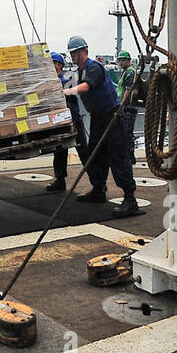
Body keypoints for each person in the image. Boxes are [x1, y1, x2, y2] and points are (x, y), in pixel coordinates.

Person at [63, 36, 140, 217]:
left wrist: (67, 91)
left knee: (118, 156)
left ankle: (130, 200)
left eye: (75, 52)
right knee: (95, 155)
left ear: (84, 51)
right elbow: (70, 84)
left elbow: (86, 87)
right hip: (97, 117)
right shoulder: (78, 72)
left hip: (111, 117)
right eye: (72, 53)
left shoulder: (93, 67)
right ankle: (98, 190)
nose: (73, 56)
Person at [46, 51, 88, 192]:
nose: (56, 66)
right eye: (53, 63)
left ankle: (98, 183)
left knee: (83, 152)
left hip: (73, 122)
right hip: (58, 124)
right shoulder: (46, 85)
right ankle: (60, 180)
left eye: (58, 64)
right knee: (59, 152)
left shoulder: (66, 81)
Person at [116, 51, 142, 149]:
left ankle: (130, 156)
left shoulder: (130, 72)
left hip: (128, 107)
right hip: (127, 106)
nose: (121, 63)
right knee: (125, 131)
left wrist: (121, 105)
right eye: (119, 61)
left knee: (127, 132)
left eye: (123, 60)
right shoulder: (126, 72)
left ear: (128, 61)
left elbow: (127, 90)